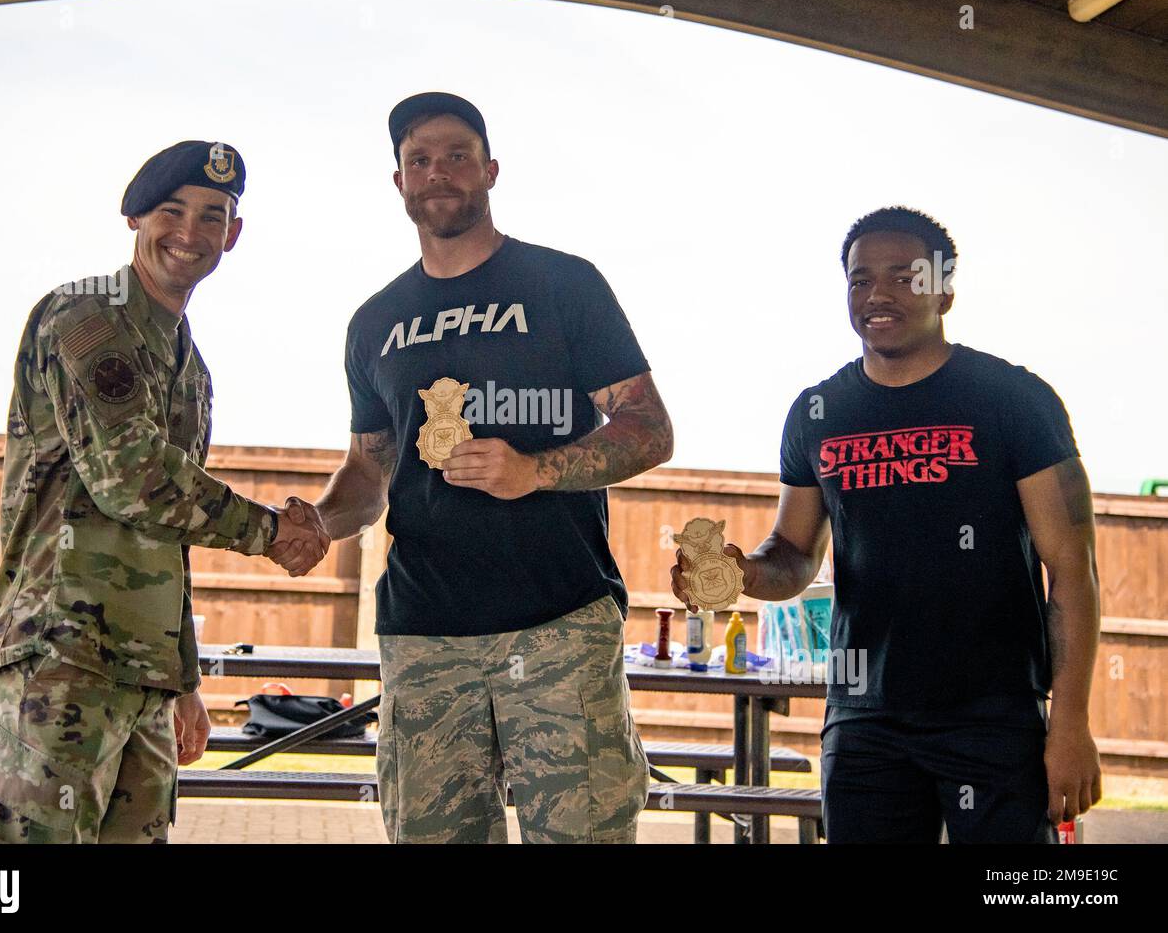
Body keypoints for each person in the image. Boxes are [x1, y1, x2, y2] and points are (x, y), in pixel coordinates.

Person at [673, 206, 1102, 842]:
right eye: (859, 279)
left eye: (904, 277)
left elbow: (1072, 569)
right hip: (863, 717)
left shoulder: (1012, 398)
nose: (877, 293)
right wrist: (735, 573)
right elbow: (793, 554)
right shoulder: (818, 413)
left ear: (945, 290)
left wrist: (1069, 723)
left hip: (992, 712)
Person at [309, 92, 672, 843]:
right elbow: (368, 474)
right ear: (399, 183)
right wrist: (315, 522)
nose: (437, 172)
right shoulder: (374, 321)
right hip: (424, 635)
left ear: (491, 171)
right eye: (418, 160)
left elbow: (648, 429)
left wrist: (534, 470)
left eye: (456, 155)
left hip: (559, 625)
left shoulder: (564, 285)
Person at [0, 141, 329, 843]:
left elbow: (167, 529)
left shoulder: (188, 364)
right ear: (135, 216)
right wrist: (270, 532)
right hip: (62, 652)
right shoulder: (85, 317)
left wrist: (183, 678)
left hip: (143, 671)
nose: (190, 234)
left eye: (211, 216)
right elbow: (132, 481)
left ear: (233, 233)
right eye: (172, 211)